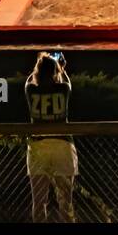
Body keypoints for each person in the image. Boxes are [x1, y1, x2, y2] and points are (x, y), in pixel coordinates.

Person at [24, 52, 77, 223]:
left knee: (39, 202)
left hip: (38, 146)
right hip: (62, 145)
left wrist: (37, 68)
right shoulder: (62, 89)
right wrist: (62, 68)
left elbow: (28, 81)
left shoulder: (31, 91)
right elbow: (67, 83)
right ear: (56, 73)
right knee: (65, 202)